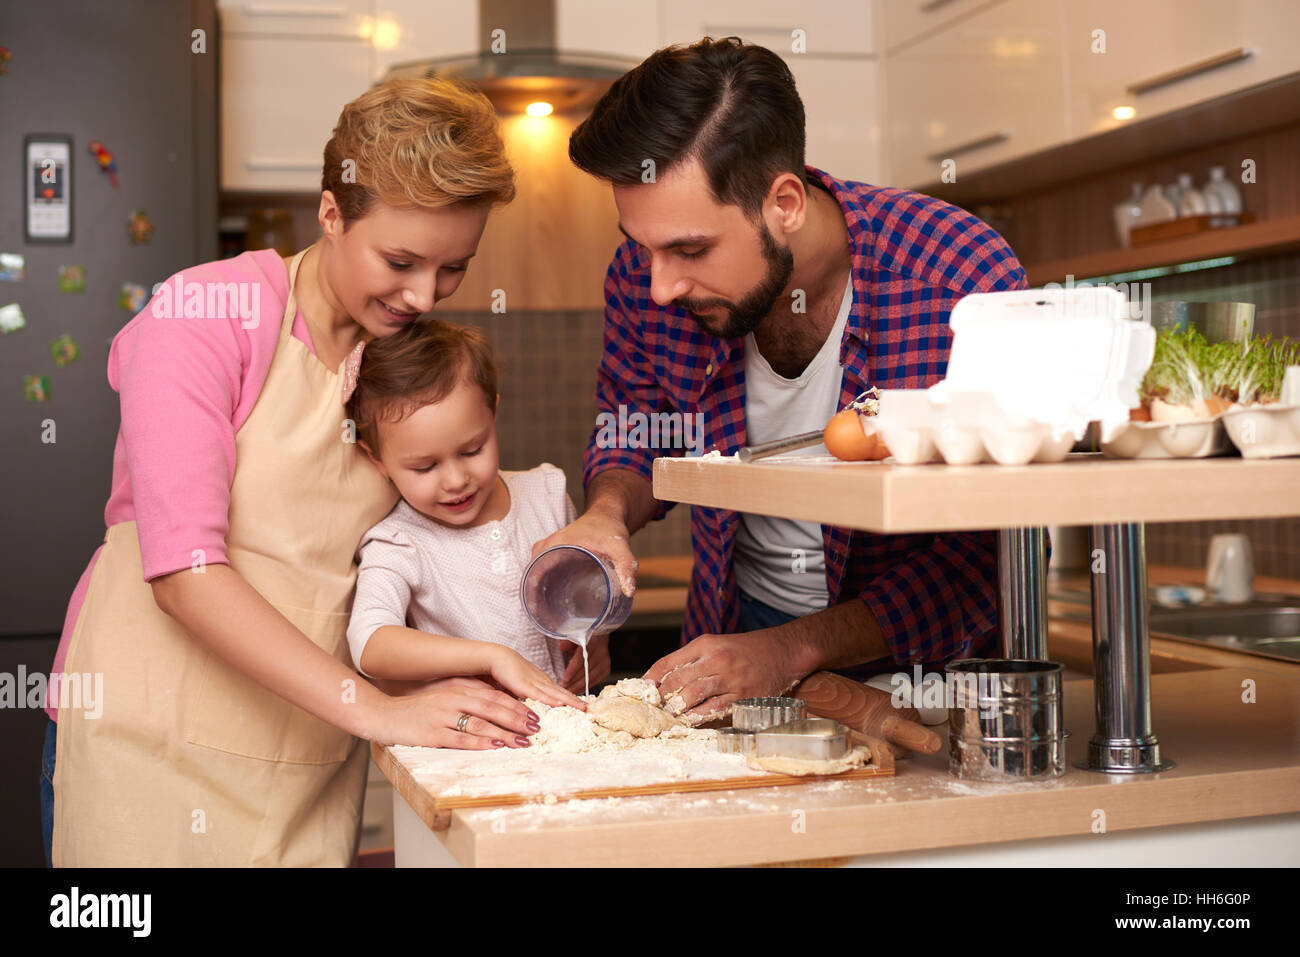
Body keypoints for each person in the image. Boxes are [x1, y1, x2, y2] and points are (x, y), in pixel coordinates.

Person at [44, 75, 539, 868]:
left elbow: (438, 540)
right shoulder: (203, 318)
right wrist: (379, 710)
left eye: (452, 268)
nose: (422, 295)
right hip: (149, 753)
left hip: (304, 766)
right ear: (332, 212)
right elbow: (184, 573)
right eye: (401, 260)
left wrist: (519, 648)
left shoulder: (402, 363)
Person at [534, 37, 1033, 724]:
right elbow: (637, 431)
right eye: (640, 245)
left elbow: (982, 554)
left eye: (689, 248)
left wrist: (793, 650)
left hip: (925, 673)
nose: (658, 286)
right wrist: (605, 513)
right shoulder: (646, 277)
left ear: (785, 203)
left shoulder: (956, 278)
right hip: (738, 645)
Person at [343, 320, 592, 711]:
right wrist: (492, 656)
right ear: (377, 460)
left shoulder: (547, 495)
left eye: (473, 449)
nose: (456, 480)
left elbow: (583, 591)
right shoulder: (400, 541)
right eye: (425, 467)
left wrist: (596, 638)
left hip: (568, 738)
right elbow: (371, 643)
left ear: (493, 412)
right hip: (473, 747)